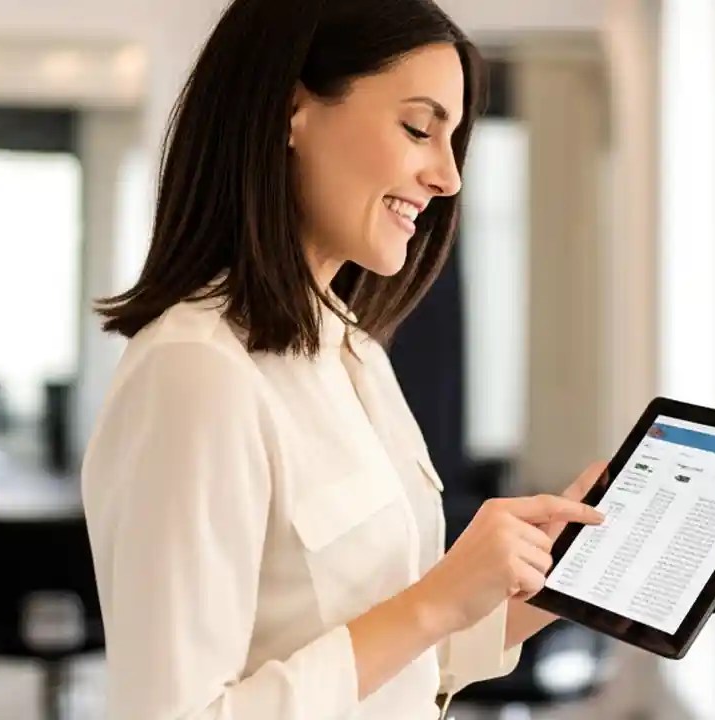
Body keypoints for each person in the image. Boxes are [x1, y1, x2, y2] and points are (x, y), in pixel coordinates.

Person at [80, 0, 606, 717]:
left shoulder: (350, 350)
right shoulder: (197, 372)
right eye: (419, 128)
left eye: (454, 142)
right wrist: (432, 601)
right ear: (291, 113)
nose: (448, 177)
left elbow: (391, 667)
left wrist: (550, 584)